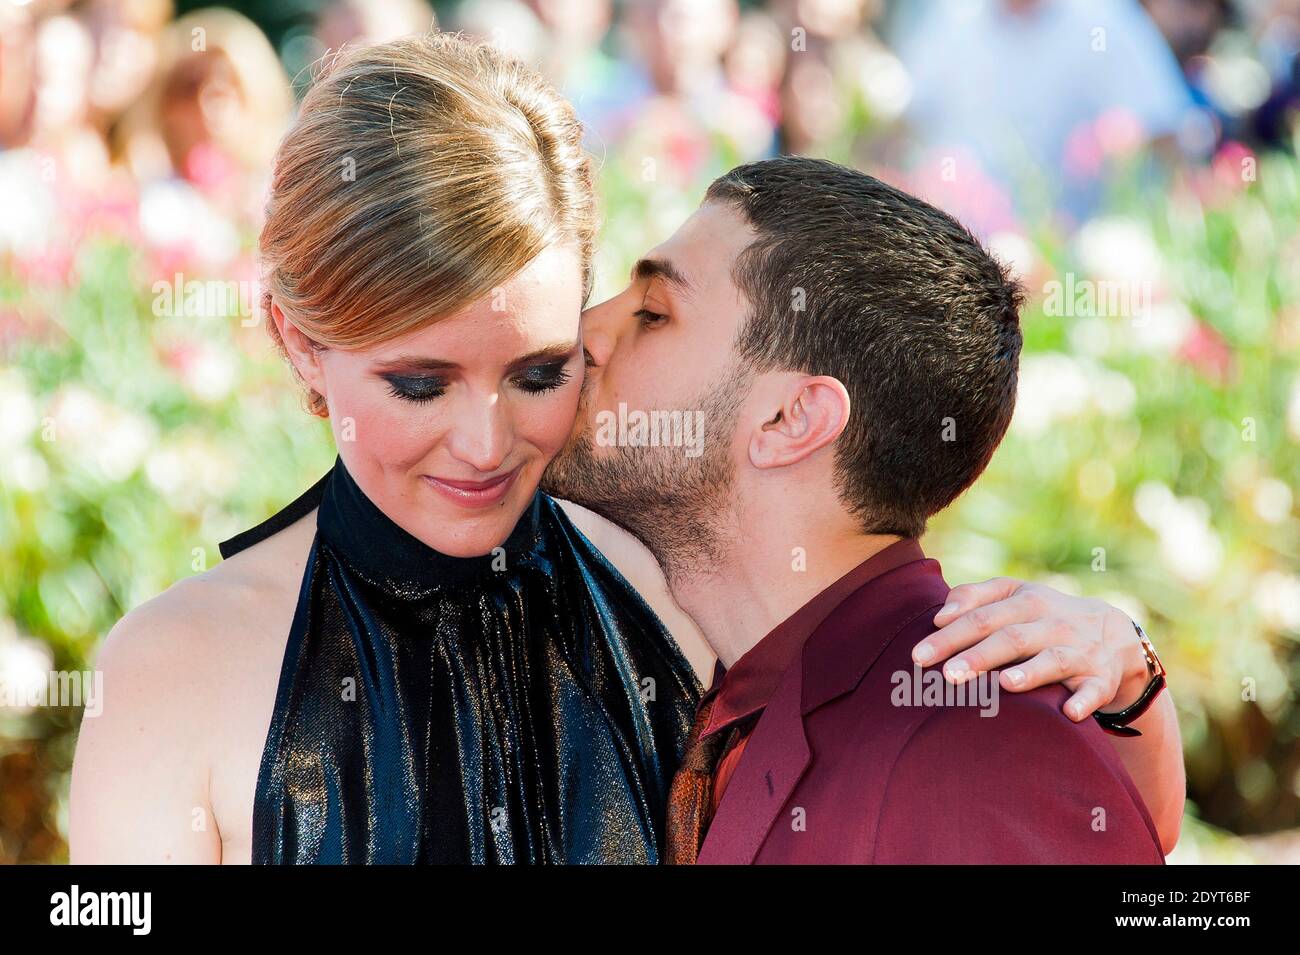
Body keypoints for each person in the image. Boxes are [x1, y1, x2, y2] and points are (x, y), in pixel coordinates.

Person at [70, 33, 1180, 865]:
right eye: (417, 383)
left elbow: (1033, 807)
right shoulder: (169, 672)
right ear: (295, 344)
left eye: (542, 370)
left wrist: (1125, 671)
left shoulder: (672, 568)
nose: (486, 440)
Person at [544, 156, 1177, 862]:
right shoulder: (742, 701)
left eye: (654, 313)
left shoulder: (976, 743)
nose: (584, 334)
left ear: (792, 418)